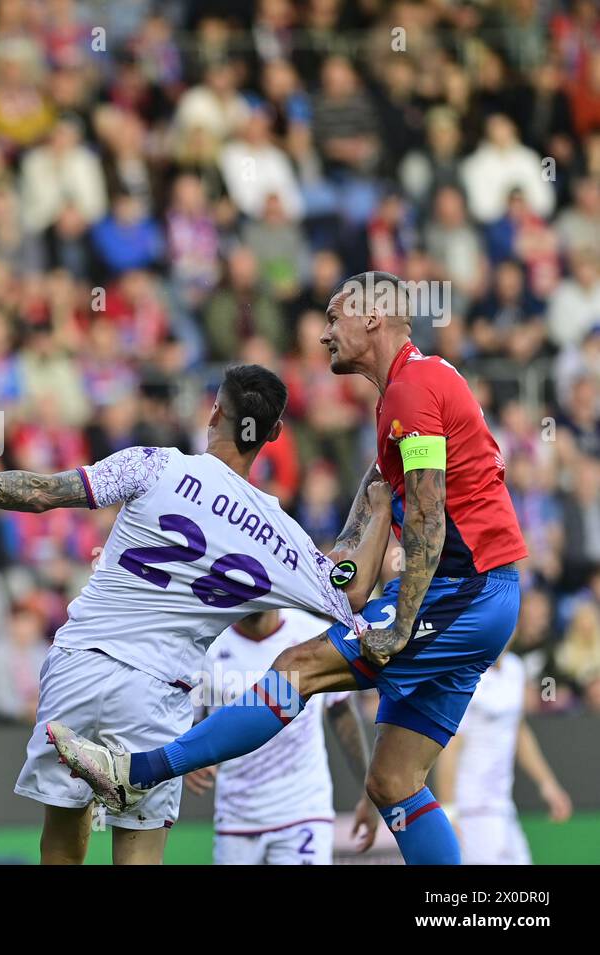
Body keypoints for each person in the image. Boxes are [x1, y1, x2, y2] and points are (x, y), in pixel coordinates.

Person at [51, 272, 528, 867]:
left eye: (334, 318)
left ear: (372, 317)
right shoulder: (406, 397)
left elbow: (430, 512)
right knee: (394, 782)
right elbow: (353, 579)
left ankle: (138, 772)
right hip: (483, 594)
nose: (324, 334)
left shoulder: (414, 389)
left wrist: (403, 621)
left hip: (462, 592)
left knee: (297, 666)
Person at [0, 364, 394, 864]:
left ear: (213, 414)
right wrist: (377, 503)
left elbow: (38, 494)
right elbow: (348, 591)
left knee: (60, 846)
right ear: (275, 434)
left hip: (79, 664)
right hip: (154, 693)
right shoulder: (276, 533)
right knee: (139, 853)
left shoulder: (154, 463)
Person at [189, 608, 375, 865]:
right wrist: (190, 762)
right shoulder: (207, 646)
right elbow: (192, 721)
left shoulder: (314, 633)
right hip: (236, 817)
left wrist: (369, 791)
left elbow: (341, 711)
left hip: (303, 812)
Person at [434, 650, 573, 864]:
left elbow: (519, 731)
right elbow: (449, 749)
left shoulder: (515, 668)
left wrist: (548, 785)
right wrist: (450, 812)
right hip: (471, 811)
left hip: (504, 808)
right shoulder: (465, 675)